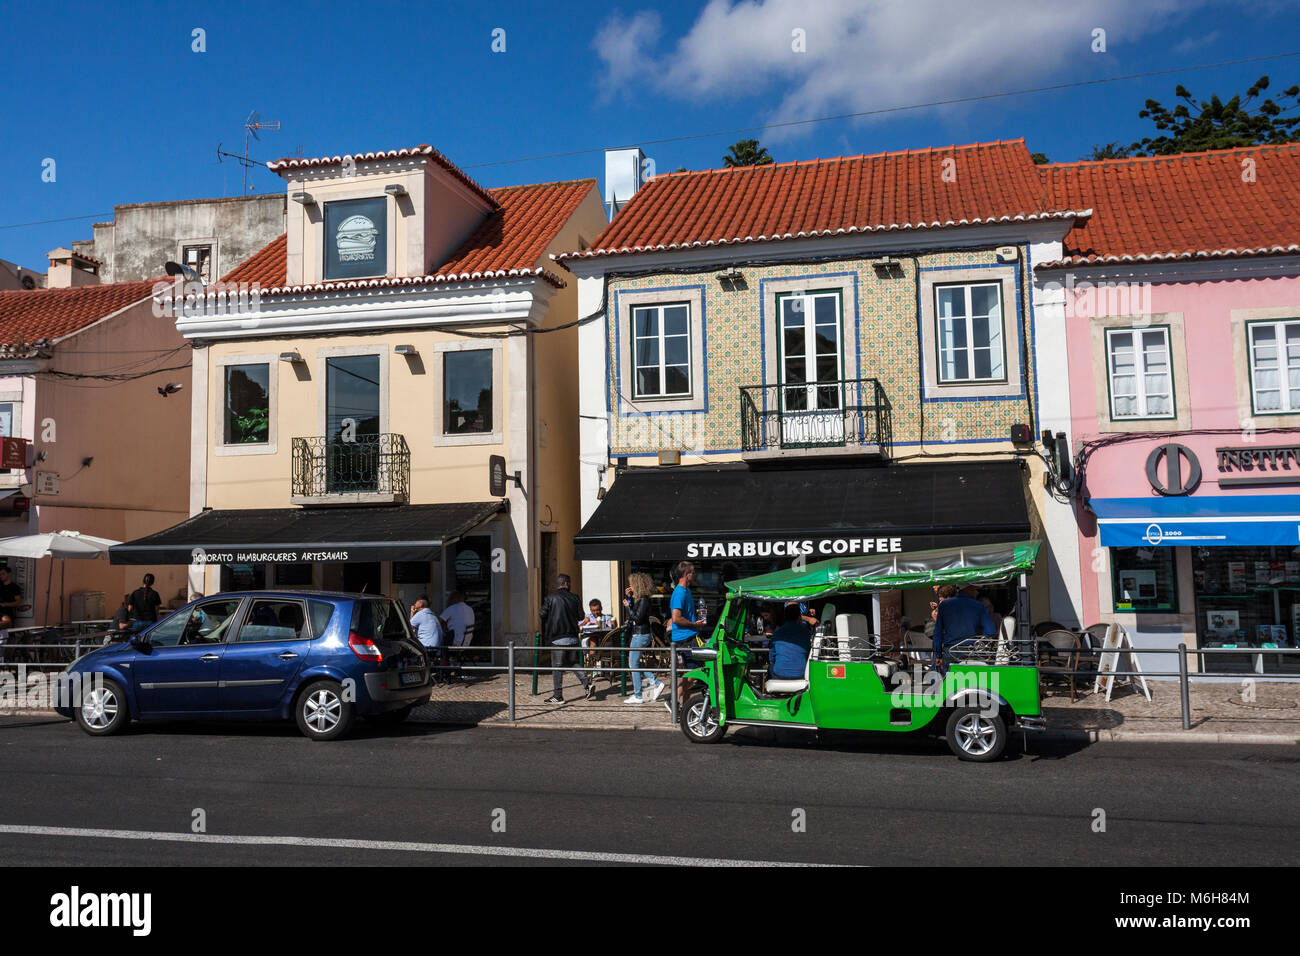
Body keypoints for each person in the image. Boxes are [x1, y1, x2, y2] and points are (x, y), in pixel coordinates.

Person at [540, 573, 591, 703]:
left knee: (557, 667)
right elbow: (581, 616)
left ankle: (558, 696)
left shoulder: (550, 598)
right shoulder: (575, 598)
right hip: (573, 637)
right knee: (572, 662)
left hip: (557, 637)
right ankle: (587, 684)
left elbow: (542, 614)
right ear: (567, 584)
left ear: (559, 584)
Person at [668, 561, 707, 713]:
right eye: (693, 572)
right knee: (697, 671)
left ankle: (685, 708)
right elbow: (676, 618)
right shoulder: (679, 593)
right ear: (686, 574)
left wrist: (695, 615)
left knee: (691, 672)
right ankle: (673, 699)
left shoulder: (687, 591)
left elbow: (682, 614)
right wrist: (694, 624)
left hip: (690, 635)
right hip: (686, 637)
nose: (695, 574)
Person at [623, 572, 666, 704]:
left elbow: (637, 618)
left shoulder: (644, 600)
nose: (630, 586)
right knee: (634, 663)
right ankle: (655, 683)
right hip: (640, 634)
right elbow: (636, 615)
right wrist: (629, 599)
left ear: (637, 584)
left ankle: (638, 695)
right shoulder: (640, 599)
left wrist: (627, 607)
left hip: (641, 634)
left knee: (633, 664)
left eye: (632, 584)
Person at [932, 583, 996, 670]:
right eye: (975, 590)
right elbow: (990, 631)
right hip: (971, 651)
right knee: (972, 682)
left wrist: (938, 654)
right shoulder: (979, 605)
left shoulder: (944, 605)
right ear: (968, 589)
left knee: (950, 682)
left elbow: (938, 632)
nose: (977, 593)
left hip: (950, 651)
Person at [769, 602, 813, 679]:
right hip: (801, 673)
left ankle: (776, 690)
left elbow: (772, 657)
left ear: (785, 616)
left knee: (771, 667)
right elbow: (808, 652)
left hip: (779, 673)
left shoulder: (777, 632)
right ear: (799, 617)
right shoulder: (805, 632)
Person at [441, 591, 475, 679]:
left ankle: (445, 671)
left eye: (452, 598)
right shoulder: (470, 609)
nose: (451, 600)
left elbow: (439, 620)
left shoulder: (452, 608)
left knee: (439, 644)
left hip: (456, 642)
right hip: (466, 642)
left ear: (456, 598)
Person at [579, 598, 614, 682]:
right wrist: (584, 622)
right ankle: (592, 668)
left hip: (604, 638)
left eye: (597, 610)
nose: (595, 613)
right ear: (590, 610)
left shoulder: (606, 617)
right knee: (593, 641)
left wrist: (606, 624)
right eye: (593, 611)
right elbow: (579, 628)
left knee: (606, 643)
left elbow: (612, 627)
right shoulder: (587, 617)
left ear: (601, 608)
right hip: (591, 639)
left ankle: (606, 670)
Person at [0, 565, 24, 632]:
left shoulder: (14, 587)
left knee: (7, 623)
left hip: (6, 612)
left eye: (3, 574)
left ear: (9, 574)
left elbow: (18, 602)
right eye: (0, 574)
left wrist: (6, 604)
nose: (1, 576)